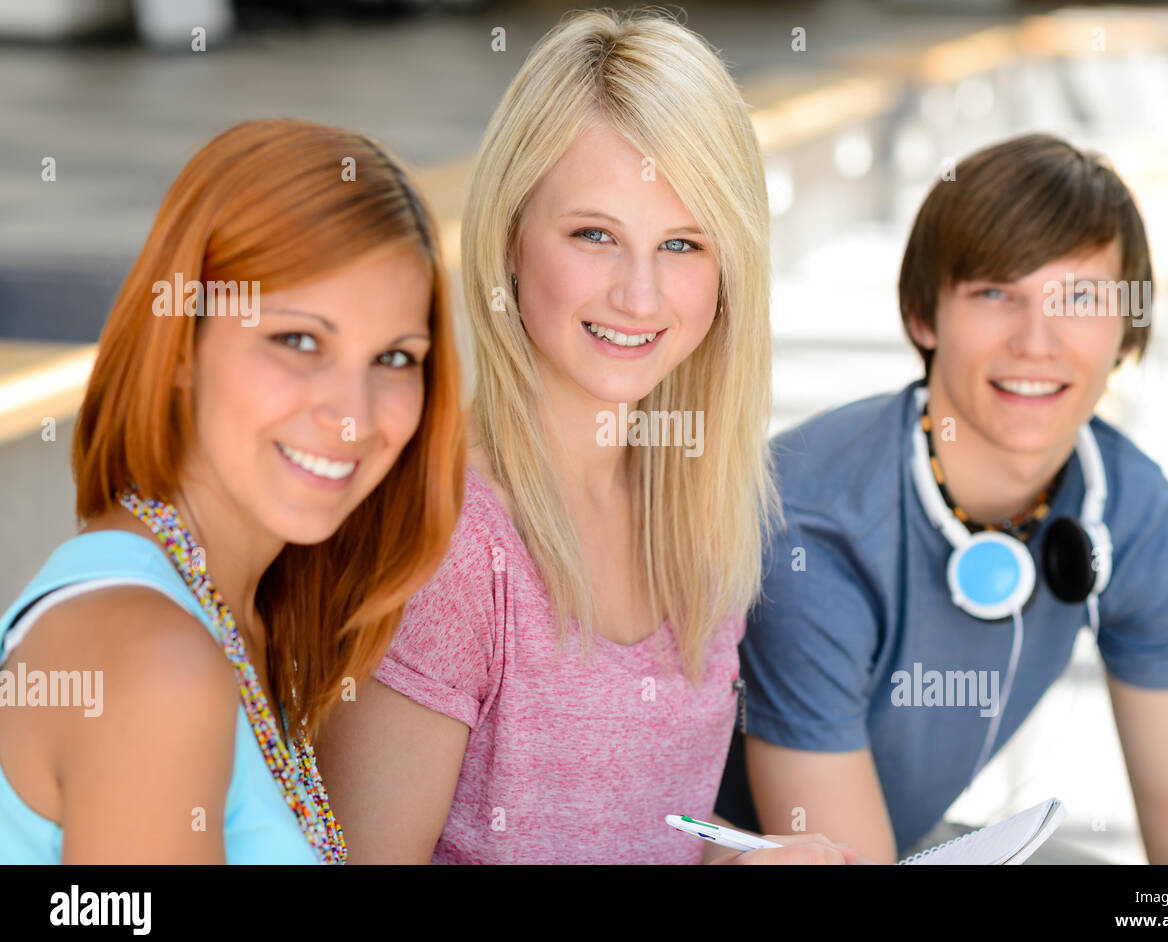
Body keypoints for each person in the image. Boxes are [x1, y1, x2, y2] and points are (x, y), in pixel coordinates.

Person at [315, 9, 855, 865]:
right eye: (594, 234)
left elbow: (645, 836)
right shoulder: (448, 547)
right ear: (510, 244)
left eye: (682, 244)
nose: (639, 297)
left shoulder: (702, 518)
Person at [715, 133, 1168, 865]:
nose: (1037, 342)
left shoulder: (1137, 515)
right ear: (924, 317)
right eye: (996, 293)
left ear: (1126, 331)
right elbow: (846, 861)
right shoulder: (814, 531)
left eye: (1080, 298)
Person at [0, 118, 465, 863]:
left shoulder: (242, 616)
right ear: (181, 341)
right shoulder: (155, 661)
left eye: (394, 357)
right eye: (299, 340)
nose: (352, 415)